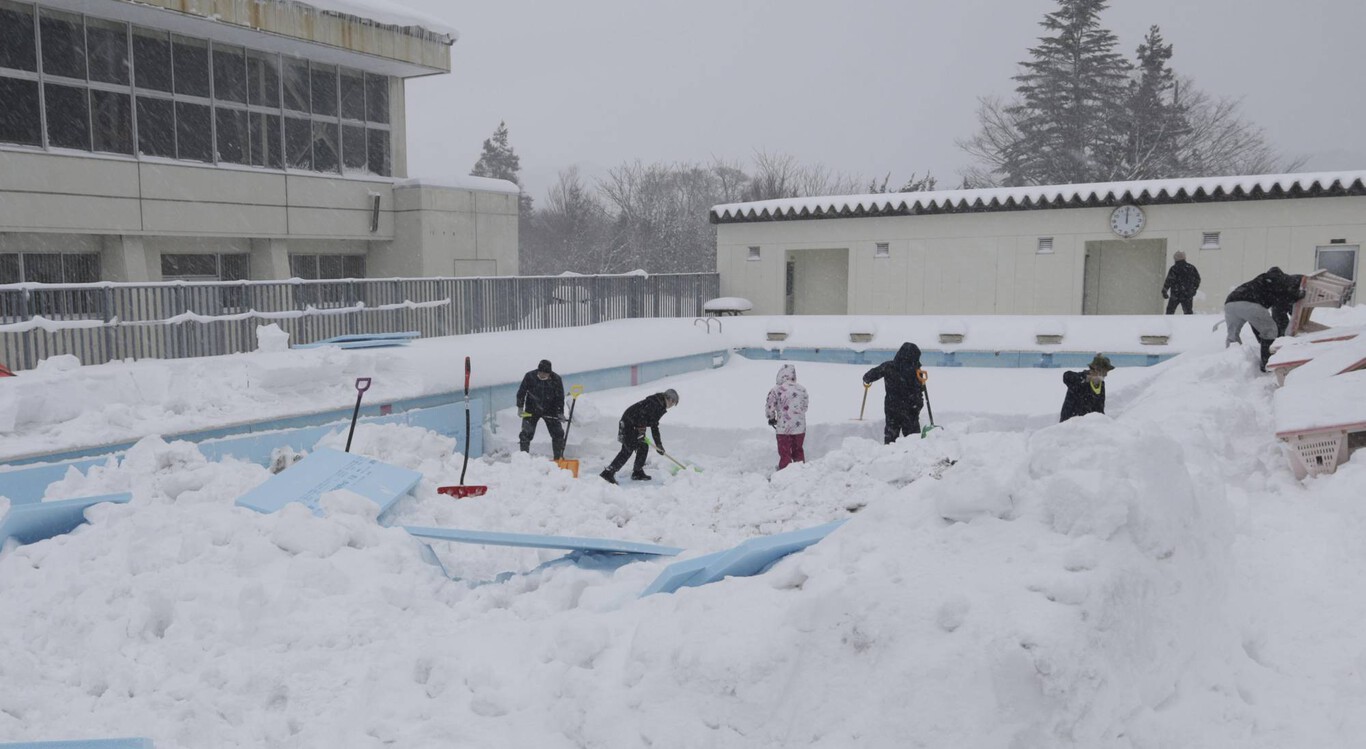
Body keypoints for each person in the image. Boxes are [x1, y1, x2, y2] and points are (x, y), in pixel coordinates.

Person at [1223, 267, 1305, 371]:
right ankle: (1268, 364)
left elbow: (1255, 323)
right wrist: (1297, 295)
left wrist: (1261, 339)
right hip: (1250, 303)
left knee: (1232, 336)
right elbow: (1283, 296)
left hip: (1230, 302)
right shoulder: (1279, 279)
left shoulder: (1259, 281)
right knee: (1271, 330)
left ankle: (1229, 366)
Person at [600, 389, 678, 484]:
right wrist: (641, 432)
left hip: (635, 425)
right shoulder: (654, 403)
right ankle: (608, 473)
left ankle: (637, 472)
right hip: (629, 423)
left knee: (643, 446)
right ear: (669, 399)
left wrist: (659, 445)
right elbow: (642, 415)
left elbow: (654, 426)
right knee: (628, 449)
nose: (672, 405)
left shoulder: (660, 405)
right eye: (673, 403)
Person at [862, 342, 925, 444]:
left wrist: (867, 378)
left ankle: (889, 454)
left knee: (891, 436)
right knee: (914, 440)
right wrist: (917, 405)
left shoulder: (889, 366)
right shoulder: (916, 371)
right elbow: (919, 390)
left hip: (892, 408)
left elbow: (871, 374)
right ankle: (912, 455)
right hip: (910, 409)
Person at [516, 359, 566, 460]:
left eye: (545, 374)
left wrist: (560, 412)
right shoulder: (529, 376)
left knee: (558, 434)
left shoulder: (556, 379)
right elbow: (521, 392)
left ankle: (558, 458)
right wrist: (520, 407)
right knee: (525, 434)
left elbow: (560, 397)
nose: (542, 375)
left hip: (550, 410)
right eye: (541, 372)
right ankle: (523, 459)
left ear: (550, 373)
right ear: (538, 370)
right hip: (531, 409)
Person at [765, 364, 809, 470]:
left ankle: (785, 473)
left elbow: (770, 405)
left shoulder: (776, 390)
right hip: (800, 428)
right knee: (798, 450)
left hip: (784, 429)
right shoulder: (802, 389)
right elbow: (805, 407)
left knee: (785, 453)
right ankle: (800, 471)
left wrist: (771, 418)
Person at [1060, 354, 1114, 422]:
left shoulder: (1101, 385)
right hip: (1070, 424)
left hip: (1087, 425)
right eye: (1104, 372)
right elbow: (1066, 376)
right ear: (1096, 369)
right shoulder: (1081, 379)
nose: (1106, 375)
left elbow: (1100, 408)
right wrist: (1086, 378)